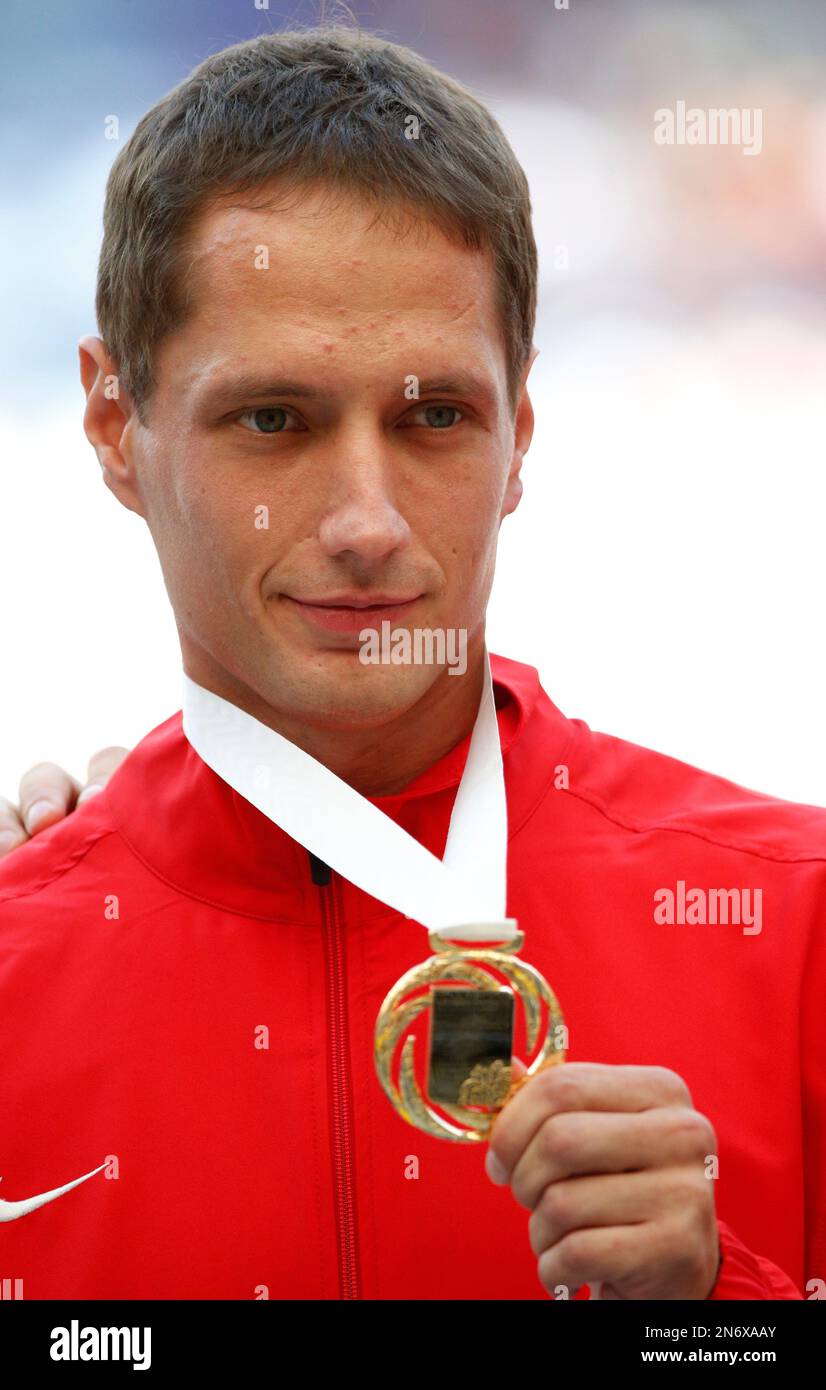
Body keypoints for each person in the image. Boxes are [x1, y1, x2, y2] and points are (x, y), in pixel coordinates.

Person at [1, 24, 822, 1302]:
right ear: (116, 423)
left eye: (434, 416)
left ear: (522, 426)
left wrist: (719, 1313)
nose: (368, 523)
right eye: (272, 420)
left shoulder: (797, 928)